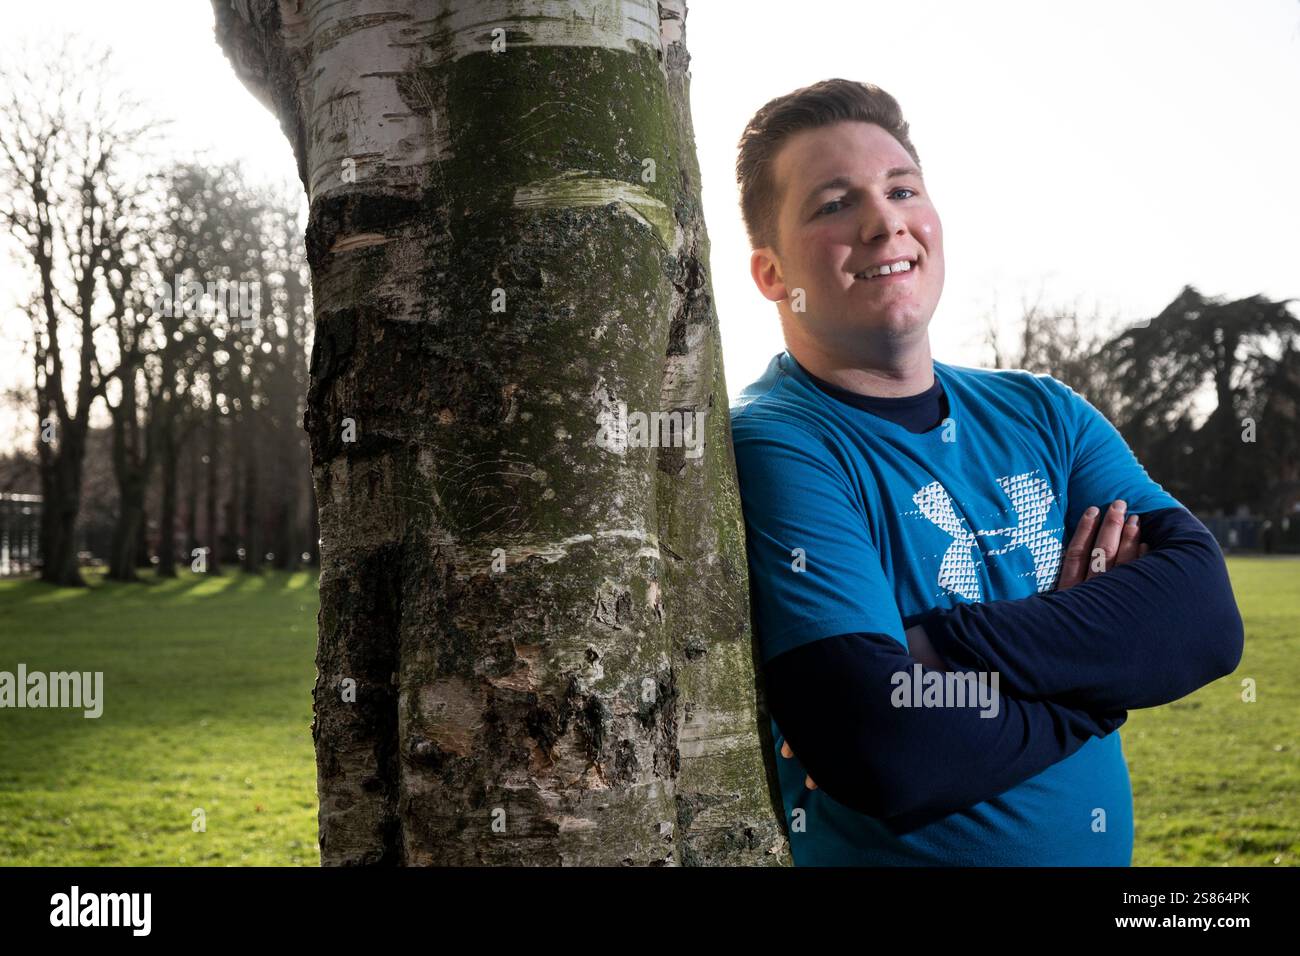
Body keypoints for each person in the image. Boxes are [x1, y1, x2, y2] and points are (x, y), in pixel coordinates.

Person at [728, 78, 1244, 865]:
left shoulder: (1046, 412)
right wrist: (1095, 689)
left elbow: (1204, 616)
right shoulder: (780, 443)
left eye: (902, 189)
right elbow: (887, 744)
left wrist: (930, 649)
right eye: (835, 203)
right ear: (770, 273)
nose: (883, 221)